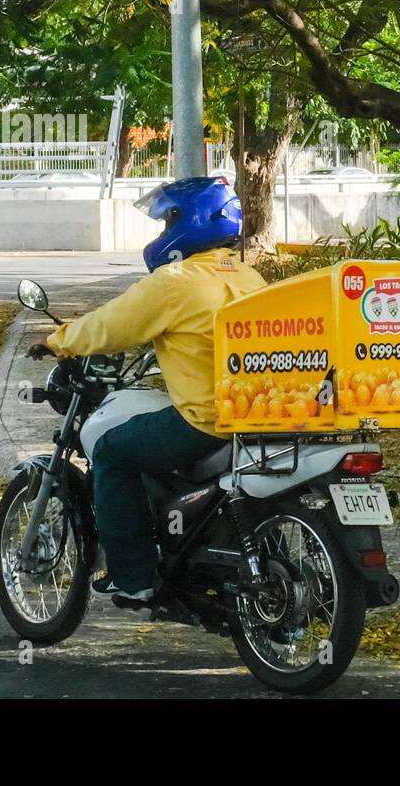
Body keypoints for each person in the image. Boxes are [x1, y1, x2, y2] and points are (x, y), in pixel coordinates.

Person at [26, 176, 265, 602]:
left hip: (207, 419)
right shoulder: (250, 278)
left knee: (114, 451)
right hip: (260, 412)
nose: (162, 232)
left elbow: (113, 325)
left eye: (167, 221)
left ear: (189, 222)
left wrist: (57, 340)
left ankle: (133, 577)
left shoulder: (175, 282)